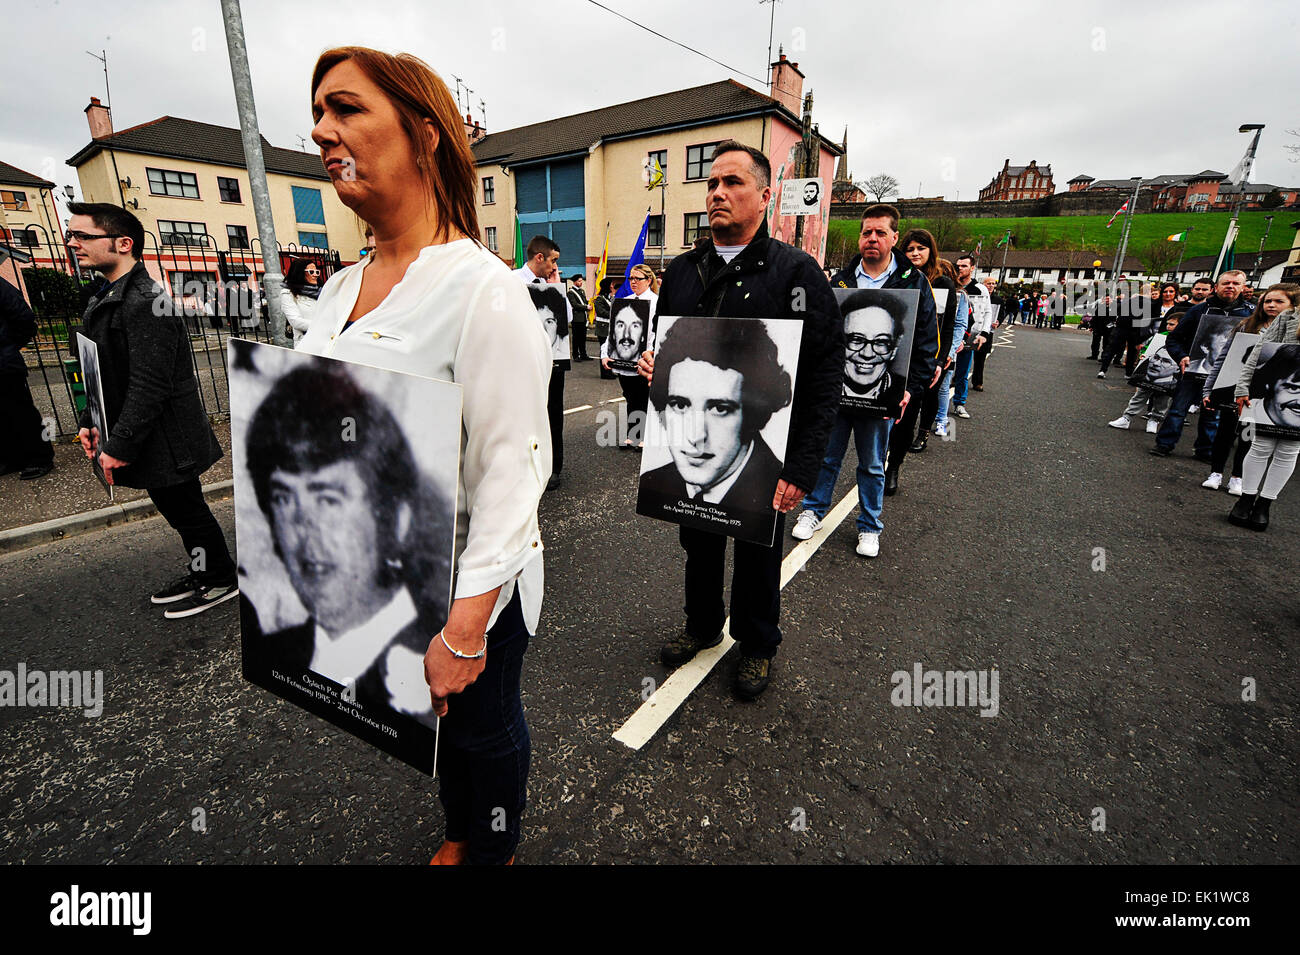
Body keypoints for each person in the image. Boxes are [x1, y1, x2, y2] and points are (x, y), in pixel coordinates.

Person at [305, 46, 551, 865]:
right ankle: (458, 826)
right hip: (383, 573)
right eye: (318, 114)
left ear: (423, 134)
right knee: (435, 732)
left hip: (468, 586)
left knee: (482, 725)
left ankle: (493, 845)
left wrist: (467, 629)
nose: (321, 130)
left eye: (345, 108)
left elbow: (515, 471)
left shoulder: (484, 290)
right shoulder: (338, 290)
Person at [636, 139, 842, 700]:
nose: (718, 193)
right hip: (693, 446)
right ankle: (702, 626)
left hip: (760, 454)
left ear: (765, 197)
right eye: (711, 184)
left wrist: (801, 466)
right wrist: (654, 365)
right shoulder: (681, 271)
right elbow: (669, 354)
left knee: (758, 554)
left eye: (733, 183)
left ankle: (756, 644)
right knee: (697, 542)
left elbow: (824, 374)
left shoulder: (795, 273)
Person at [243, 361, 451, 734]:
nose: (303, 530)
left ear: (397, 521)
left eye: (328, 499)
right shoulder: (275, 652)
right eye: (284, 499)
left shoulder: (435, 667)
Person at [66, 202, 233, 616]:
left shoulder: (143, 301)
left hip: (166, 438)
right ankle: (207, 570)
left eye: (83, 236)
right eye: (72, 235)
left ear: (123, 244)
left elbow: (150, 384)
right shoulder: (107, 295)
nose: (73, 244)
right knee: (179, 510)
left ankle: (219, 579)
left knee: (187, 511)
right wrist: (91, 422)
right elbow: (100, 372)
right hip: (146, 435)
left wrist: (119, 444)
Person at [802, 203, 937, 539]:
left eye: (880, 232)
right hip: (836, 390)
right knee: (826, 456)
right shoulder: (840, 281)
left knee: (873, 465)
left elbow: (925, 342)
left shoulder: (915, 282)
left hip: (884, 396)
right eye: (866, 232)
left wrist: (911, 389)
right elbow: (819, 334)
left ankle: (869, 526)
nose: (872, 238)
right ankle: (812, 510)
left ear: (893, 237)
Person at [642, 317, 789, 514]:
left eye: (720, 409)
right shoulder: (653, 482)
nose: (695, 437)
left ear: (753, 414)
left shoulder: (774, 485)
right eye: (680, 404)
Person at [1200, 284, 1298, 493]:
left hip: (1261, 395)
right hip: (1235, 390)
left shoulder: (1294, 332)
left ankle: (1237, 476)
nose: (1271, 305)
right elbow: (1223, 359)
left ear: (1293, 305)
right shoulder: (1247, 326)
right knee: (1225, 432)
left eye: (1279, 301)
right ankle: (1216, 472)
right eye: (1267, 301)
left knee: (1248, 436)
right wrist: (1209, 389)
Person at [1151, 271, 1251, 458]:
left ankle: (1205, 450)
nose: (1230, 286)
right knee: (1178, 410)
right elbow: (1174, 339)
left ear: (1243, 287)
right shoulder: (1198, 311)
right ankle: (1164, 444)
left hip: (1224, 374)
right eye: (1226, 283)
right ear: (1216, 288)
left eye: (1236, 283)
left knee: (1212, 414)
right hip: (1193, 370)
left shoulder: (1249, 314)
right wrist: (1181, 357)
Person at [514, 235, 570, 490]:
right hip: (523, 362)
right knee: (522, 412)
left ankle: (553, 467)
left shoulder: (553, 282)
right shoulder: (513, 281)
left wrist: (558, 288)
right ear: (540, 257)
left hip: (553, 361)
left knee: (553, 413)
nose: (555, 267)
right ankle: (522, 464)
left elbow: (566, 319)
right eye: (553, 261)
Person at [902, 230, 957, 454]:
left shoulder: (943, 282)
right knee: (907, 403)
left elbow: (948, 325)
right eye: (910, 249)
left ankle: (924, 432)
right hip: (905, 350)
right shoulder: (900, 279)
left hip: (932, 354)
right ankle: (898, 446)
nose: (915, 253)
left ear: (930, 251)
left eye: (920, 248)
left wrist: (941, 359)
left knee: (930, 395)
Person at [0, 276, 55, 480]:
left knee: (20, 412)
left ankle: (40, 458)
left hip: (4, 364)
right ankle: (13, 458)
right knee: (3, 417)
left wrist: (8, 346)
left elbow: (24, 319)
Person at [602, 263, 657, 449]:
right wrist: (605, 354)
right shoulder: (624, 301)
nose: (633, 282)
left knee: (643, 397)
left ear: (649, 280)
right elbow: (612, 333)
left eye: (638, 278)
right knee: (630, 398)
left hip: (645, 359)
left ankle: (643, 436)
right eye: (631, 278)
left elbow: (655, 333)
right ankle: (632, 434)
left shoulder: (657, 302)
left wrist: (651, 352)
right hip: (624, 360)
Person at [1107, 317, 1181, 434]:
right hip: (1148, 375)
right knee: (1140, 394)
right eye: (1167, 324)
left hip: (1170, 377)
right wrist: (1144, 354)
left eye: (1172, 324)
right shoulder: (1161, 336)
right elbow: (1148, 347)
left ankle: (1154, 419)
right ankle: (1126, 418)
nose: (1168, 327)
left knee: (1163, 399)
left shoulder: (1186, 340)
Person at [949, 254, 988, 419]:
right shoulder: (950, 285)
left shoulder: (980, 289)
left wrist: (983, 333)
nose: (960, 268)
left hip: (969, 336)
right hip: (948, 337)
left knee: (962, 373)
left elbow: (987, 312)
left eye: (964, 266)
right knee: (944, 374)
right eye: (958, 265)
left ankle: (959, 403)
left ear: (972, 268)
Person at [280, 257, 322, 346]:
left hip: (327, 340)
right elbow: (295, 321)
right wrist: (324, 326)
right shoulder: (288, 293)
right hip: (307, 343)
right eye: (311, 272)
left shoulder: (322, 291)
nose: (315, 275)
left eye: (317, 272)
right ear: (300, 273)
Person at [971, 276, 1000, 390]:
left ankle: (978, 382)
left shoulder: (998, 300)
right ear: (983, 284)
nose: (991, 285)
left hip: (987, 332)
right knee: (964, 357)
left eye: (993, 284)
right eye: (989, 283)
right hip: (974, 329)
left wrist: (998, 321)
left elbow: (1001, 314)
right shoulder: (977, 294)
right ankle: (955, 378)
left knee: (980, 359)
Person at [566, 273, 591, 360]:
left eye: (581, 281)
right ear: (575, 282)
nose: (581, 282)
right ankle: (575, 355)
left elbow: (584, 302)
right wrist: (586, 307)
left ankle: (583, 354)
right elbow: (575, 305)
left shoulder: (582, 291)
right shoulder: (570, 293)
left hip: (583, 318)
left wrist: (589, 304)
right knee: (576, 338)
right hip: (576, 318)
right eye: (579, 281)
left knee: (583, 338)